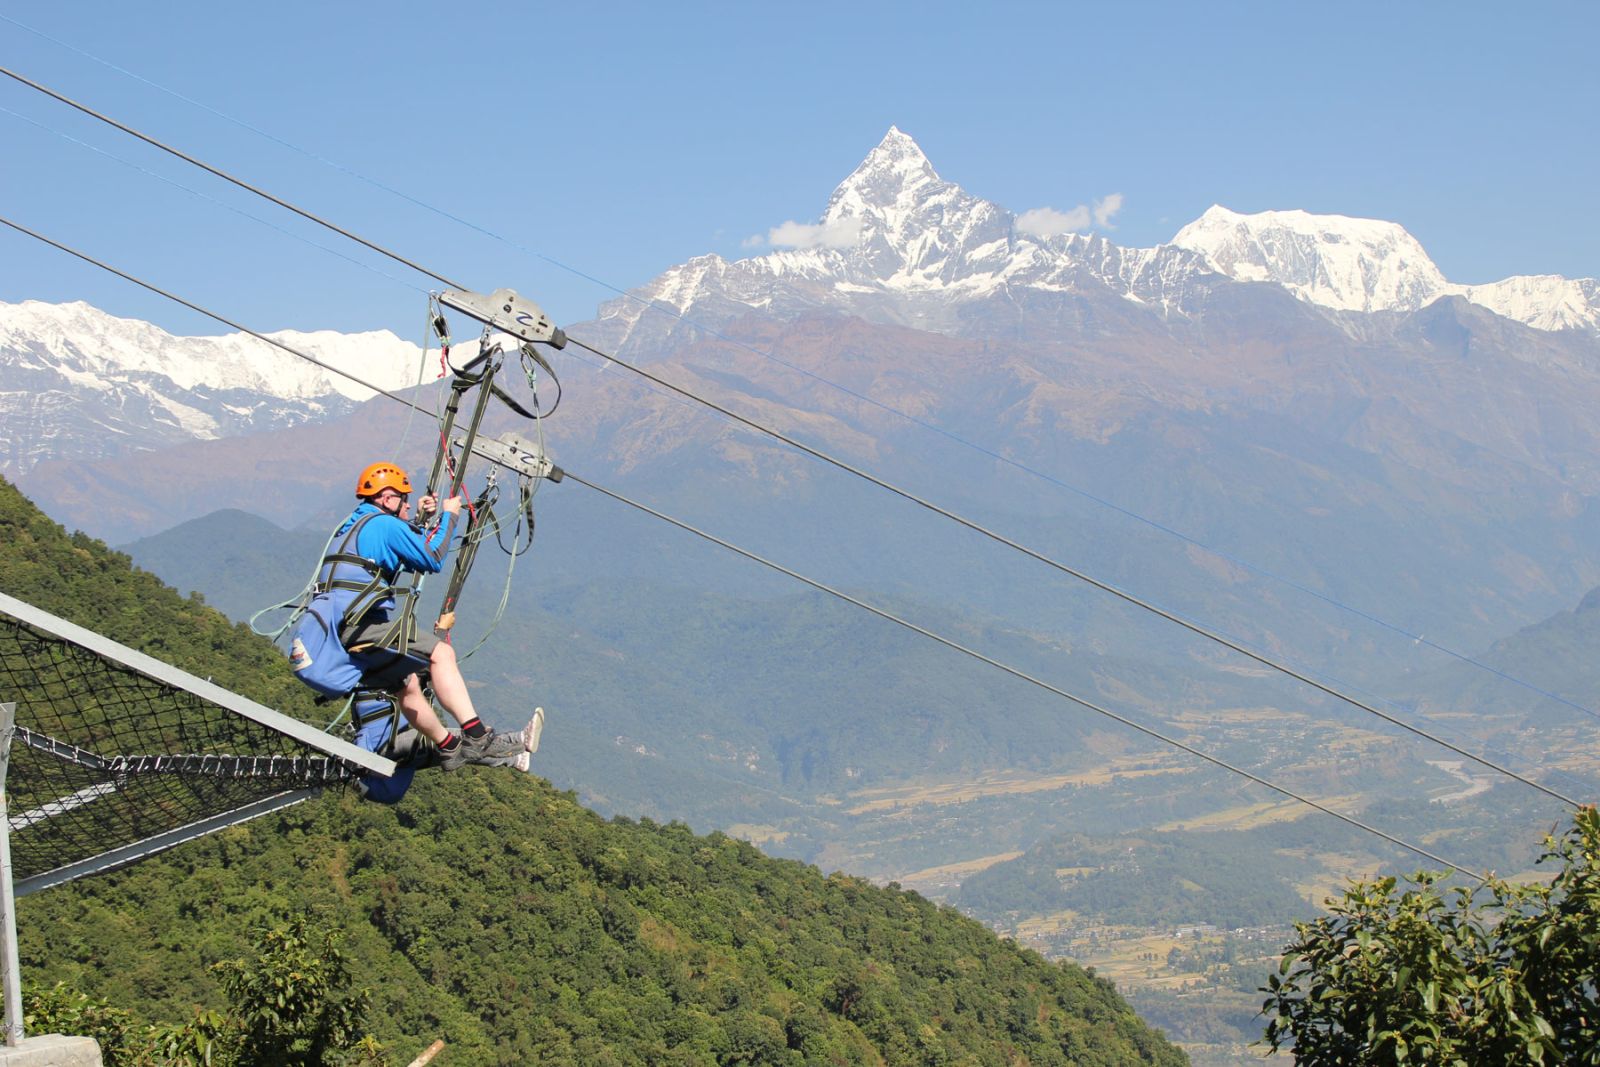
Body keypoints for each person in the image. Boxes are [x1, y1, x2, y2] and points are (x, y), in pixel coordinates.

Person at [318, 461, 514, 770]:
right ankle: (475, 735)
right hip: (362, 626)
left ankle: (449, 747)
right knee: (441, 654)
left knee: (407, 684)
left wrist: (422, 518)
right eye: (403, 498)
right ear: (386, 498)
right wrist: (450, 514)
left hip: (340, 628)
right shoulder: (383, 524)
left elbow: (404, 549)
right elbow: (431, 557)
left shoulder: (356, 525)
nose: (408, 503)